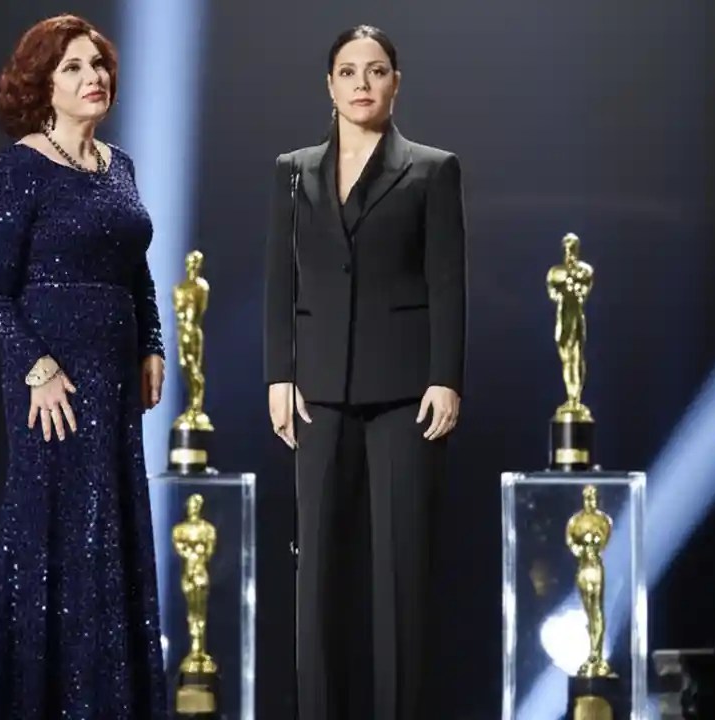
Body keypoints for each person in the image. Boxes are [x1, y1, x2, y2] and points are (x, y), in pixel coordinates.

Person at [262, 24, 468, 720]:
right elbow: (279, 281)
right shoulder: (293, 170)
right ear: (329, 84)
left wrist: (446, 375)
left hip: (406, 392)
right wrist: (277, 375)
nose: (361, 83)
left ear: (395, 83)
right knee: (316, 572)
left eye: (375, 71)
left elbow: (447, 280)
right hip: (316, 389)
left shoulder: (433, 169)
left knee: (399, 572)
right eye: (348, 71)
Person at [0, 14, 169, 720]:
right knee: (55, 534)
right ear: (43, 86)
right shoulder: (21, 165)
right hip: (50, 388)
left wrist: (153, 342)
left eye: (99, 65)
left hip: (113, 383)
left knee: (111, 531)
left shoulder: (122, 167)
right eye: (75, 68)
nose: (94, 78)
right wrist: (37, 368)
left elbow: (138, 273)